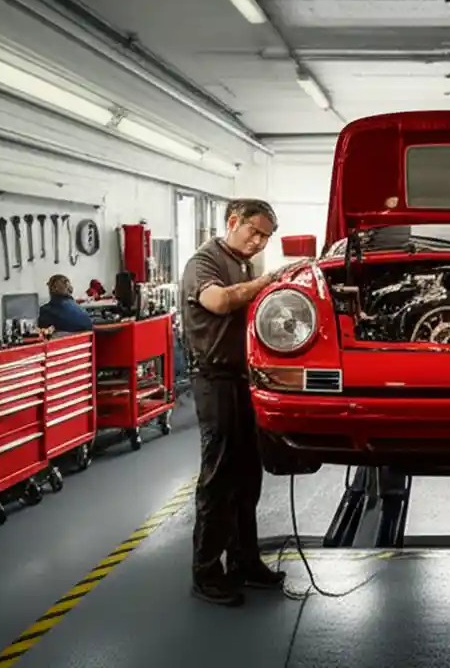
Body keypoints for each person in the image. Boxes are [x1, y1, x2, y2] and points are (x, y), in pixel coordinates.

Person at [179, 197, 303, 606]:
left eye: (267, 236)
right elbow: (218, 301)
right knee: (218, 479)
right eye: (256, 232)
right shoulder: (205, 262)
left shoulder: (245, 264)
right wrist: (268, 280)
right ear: (234, 221)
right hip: (215, 381)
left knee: (248, 477)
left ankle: (245, 562)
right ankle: (206, 573)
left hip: (244, 379)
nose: (260, 241)